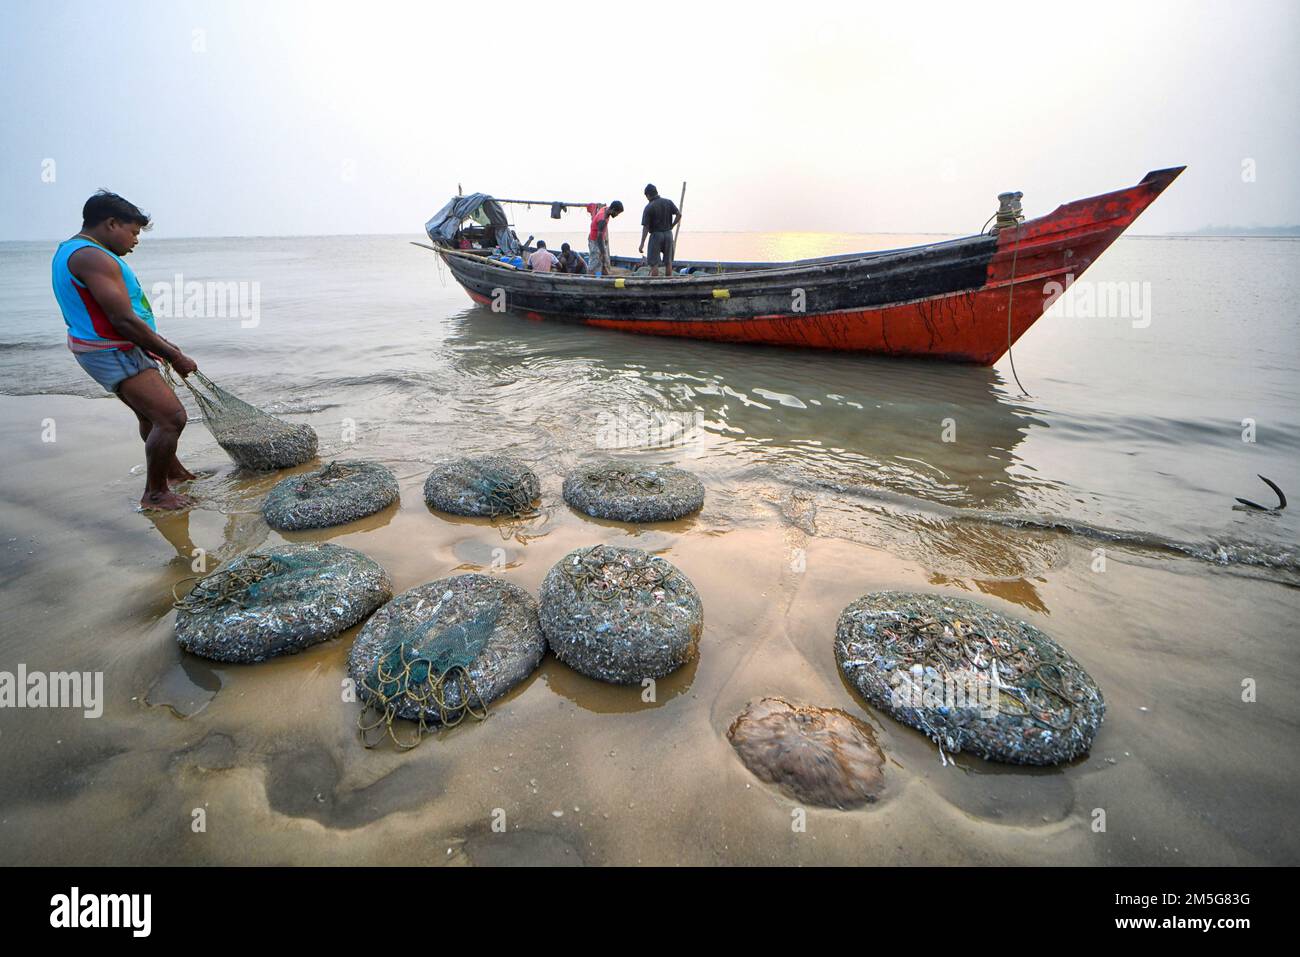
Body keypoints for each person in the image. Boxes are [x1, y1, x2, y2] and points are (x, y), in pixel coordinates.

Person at [51, 190, 200, 511]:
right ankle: (156, 494)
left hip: (105, 347)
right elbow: (121, 319)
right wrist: (174, 355)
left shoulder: (72, 251)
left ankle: (171, 473)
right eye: (133, 232)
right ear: (111, 223)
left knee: (150, 414)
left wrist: (164, 347)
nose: (135, 240)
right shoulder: (93, 257)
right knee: (171, 417)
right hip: (112, 348)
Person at [638, 183, 681, 277]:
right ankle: (669, 283)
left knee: (654, 263)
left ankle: (655, 284)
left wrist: (642, 244)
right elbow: (679, 214)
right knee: (668, 262)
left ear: (648, 195)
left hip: (656, 235)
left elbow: (646, 227)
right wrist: (672, 226)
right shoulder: (668, 202)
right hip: (668, 234)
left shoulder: (649, 207)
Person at [585, 200, 623, 277]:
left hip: (599, 239)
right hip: (595, 241)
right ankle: (592, 279)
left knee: (603, 262)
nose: (617, 215)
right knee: (595, 264)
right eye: (617, 213)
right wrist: (602, 252)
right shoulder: (602, 219)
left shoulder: (605, 208)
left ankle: (600, 276)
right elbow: (599, 238)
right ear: (613, 209)